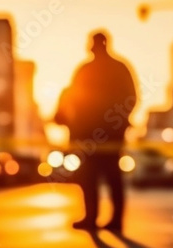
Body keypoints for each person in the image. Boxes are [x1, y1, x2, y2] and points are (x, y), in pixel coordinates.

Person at [56, 31, 138, 233]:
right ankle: (96, 218)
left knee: (104, 176)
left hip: (102, 135)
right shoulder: (94, 70)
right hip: (92, 134)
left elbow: (130, 97)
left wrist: (117, 123)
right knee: (94, 177)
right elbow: (72, 97)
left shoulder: (104, 69)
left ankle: (107, 219)